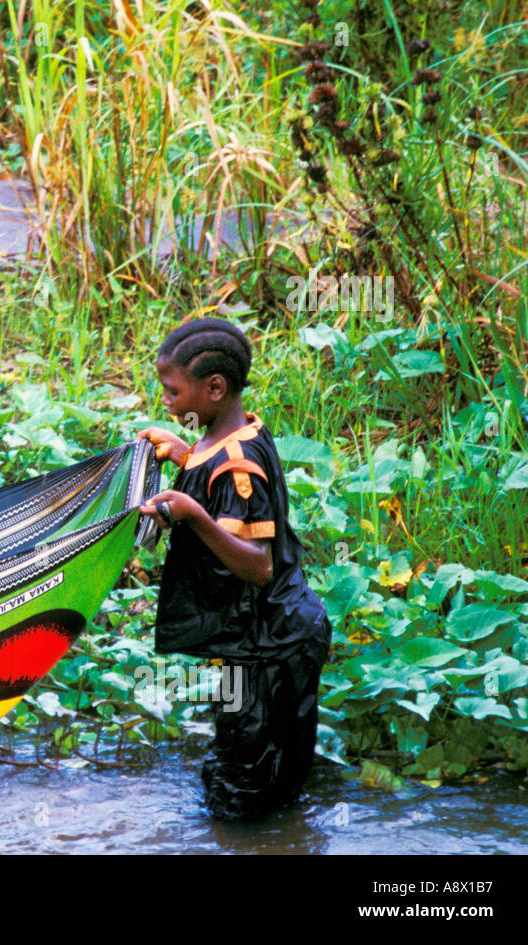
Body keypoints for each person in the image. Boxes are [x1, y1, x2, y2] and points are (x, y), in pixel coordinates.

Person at [136, 317, 331, 821]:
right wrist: (184, 457)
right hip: (254, 639)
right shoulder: (232, 435)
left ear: (214, 389)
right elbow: (212, 470)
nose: (167, 400)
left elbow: (259, 566)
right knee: (241, 750)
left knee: (252, 780)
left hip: (275, 642)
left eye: (173, 391)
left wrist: (192, 514)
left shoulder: (239, 467)